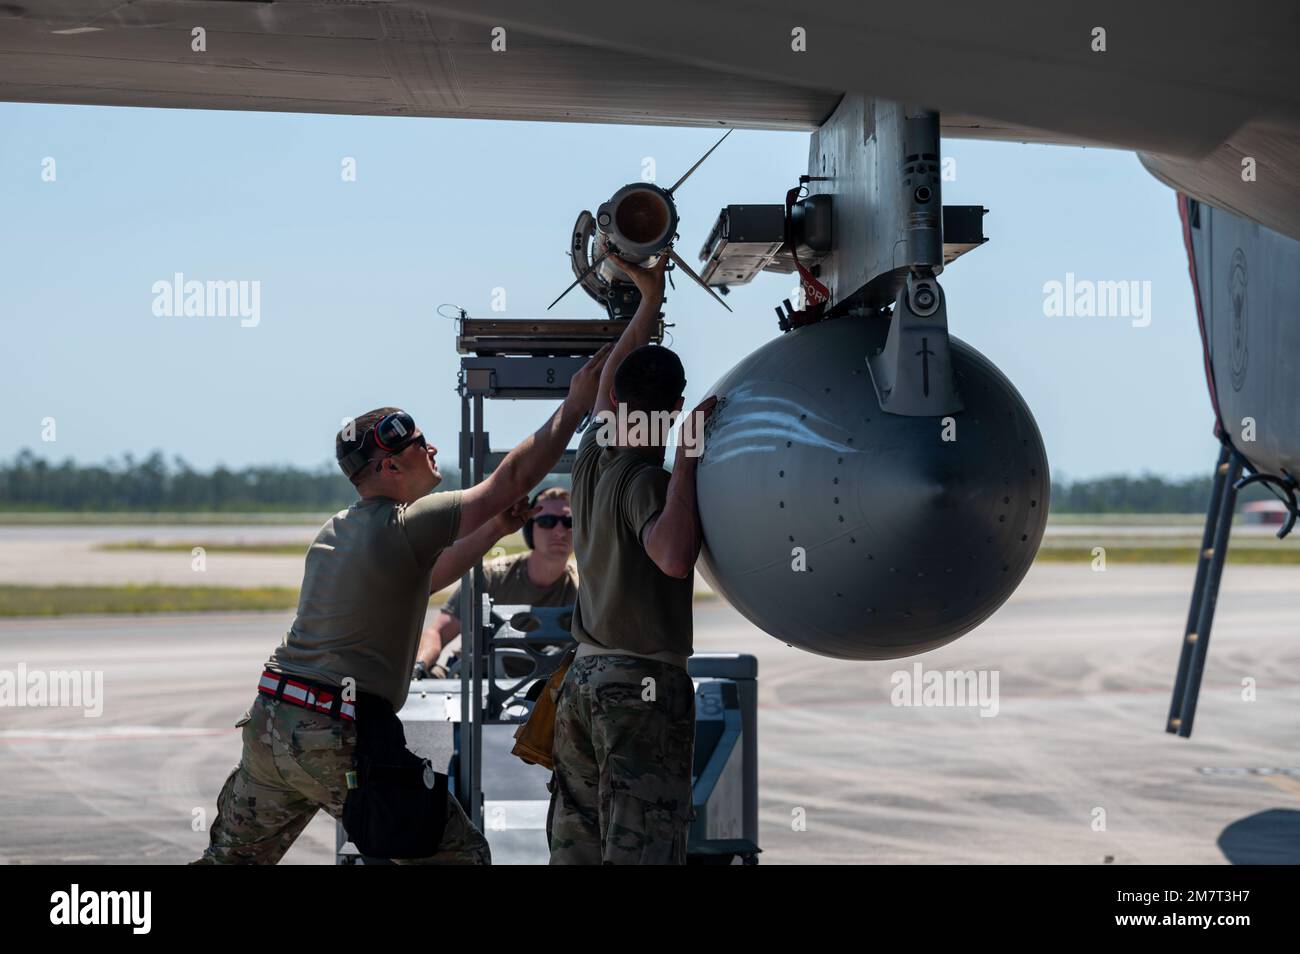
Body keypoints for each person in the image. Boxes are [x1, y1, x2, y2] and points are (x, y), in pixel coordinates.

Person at [194, 344, 611, 865]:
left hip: (273, 721)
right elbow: (510, 482)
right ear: (390, 465)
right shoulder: (405, 522)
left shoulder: (337, 531)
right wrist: (574, 407)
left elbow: (431, 574)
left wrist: (498, 529)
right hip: (336, 731)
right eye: (419, 445)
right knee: (459, 855)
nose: (432, 449)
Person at [549, 252, 717, 865]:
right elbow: (673, 556)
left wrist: (649, 300)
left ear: (615, 399)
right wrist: (691, 455)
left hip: (584, 681)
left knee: (578, 843)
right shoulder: (645, 480)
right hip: (639, 686)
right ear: (673, 412)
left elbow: (611, 375)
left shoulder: (593, 457)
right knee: (641, 845)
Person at [414, 487, 577, 680]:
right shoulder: (491, 576)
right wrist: (419, 666)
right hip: (473, 679)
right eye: (547, 522)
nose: (559, 531)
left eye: (569, 522)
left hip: (542, 691)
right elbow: (438, 632)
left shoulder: (583, 590)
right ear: (529, 529)